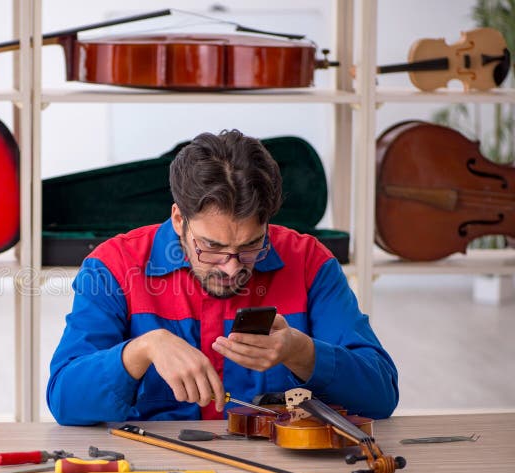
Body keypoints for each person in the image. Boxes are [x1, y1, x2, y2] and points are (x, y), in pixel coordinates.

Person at [47, 129, 398, 426]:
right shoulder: (112, 267)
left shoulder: (310, 263)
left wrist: (301, 351)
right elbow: (64, 399)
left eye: (250, 246)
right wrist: (142, 349)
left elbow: (381, 396)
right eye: (211, 247)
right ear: (179, 220)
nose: (232, 268)